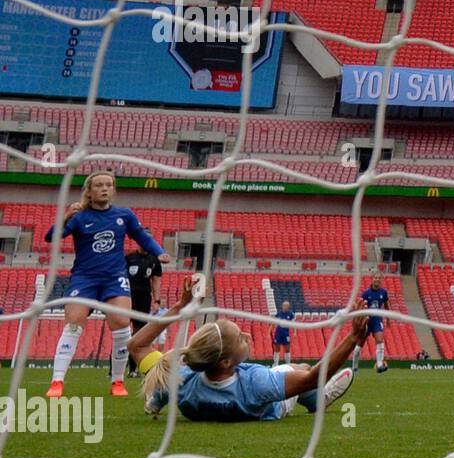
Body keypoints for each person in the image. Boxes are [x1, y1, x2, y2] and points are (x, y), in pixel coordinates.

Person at [134, 276, 359, 422]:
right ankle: (321, 399)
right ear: (226, 362)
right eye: (241, 338)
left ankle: (155, 401)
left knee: (165, 388)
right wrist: (353, 338)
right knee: (298, 367)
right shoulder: (256, 382)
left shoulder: (182, 382)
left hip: (197, 398)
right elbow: (311, 378)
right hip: (272, 406)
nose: (248, 336)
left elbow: (137, 345)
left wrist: (179, 307)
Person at [45, 171, 172, 398]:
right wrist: (64, 217)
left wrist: (159, 251)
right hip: (84, 277)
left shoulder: (125, 215)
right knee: (74, 322)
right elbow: (50, 238)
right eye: (99, 185)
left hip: (114, 278)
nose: (104, 188)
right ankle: (57, 381)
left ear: (113, 190)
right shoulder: (79, 216)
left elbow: (142, 237)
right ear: (89, 191)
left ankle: (117, 382)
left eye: (108, 185)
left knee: (122, 322)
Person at [124, 247, 164, 378]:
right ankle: (114, 370)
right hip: (127, 297)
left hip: (144, 299)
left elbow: (156, 280)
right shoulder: (129, 258)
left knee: (139, 333)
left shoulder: (154, 260)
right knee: (122, 331)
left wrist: (157, 301)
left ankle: (133, 369)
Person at [353, 277, 390, 374]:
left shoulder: (384, 292)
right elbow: (360, 306)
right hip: (367, 320)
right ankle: (355, 367)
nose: (377, 279)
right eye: (375, 278)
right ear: (372, 280)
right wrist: (360, 319)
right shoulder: (366, 293)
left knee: (380, 340)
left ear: (380, 280)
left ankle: (379, 365)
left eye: (378, 278)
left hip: (377, 320)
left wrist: (389, 318)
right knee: (359, 344)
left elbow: (386, 304)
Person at [272, 300, 294, 366]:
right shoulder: (279, 314)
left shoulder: (291, 314)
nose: (284, 307)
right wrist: (269, 332)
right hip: (278, 333)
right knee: (277, 348)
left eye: (286, 305)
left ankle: (288, 364)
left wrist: (295, 332)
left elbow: (294, 323)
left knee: (287, 349)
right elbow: (273, 323)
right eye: (283, 305)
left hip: (286, 333)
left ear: (288, 306)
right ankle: (275, 364)